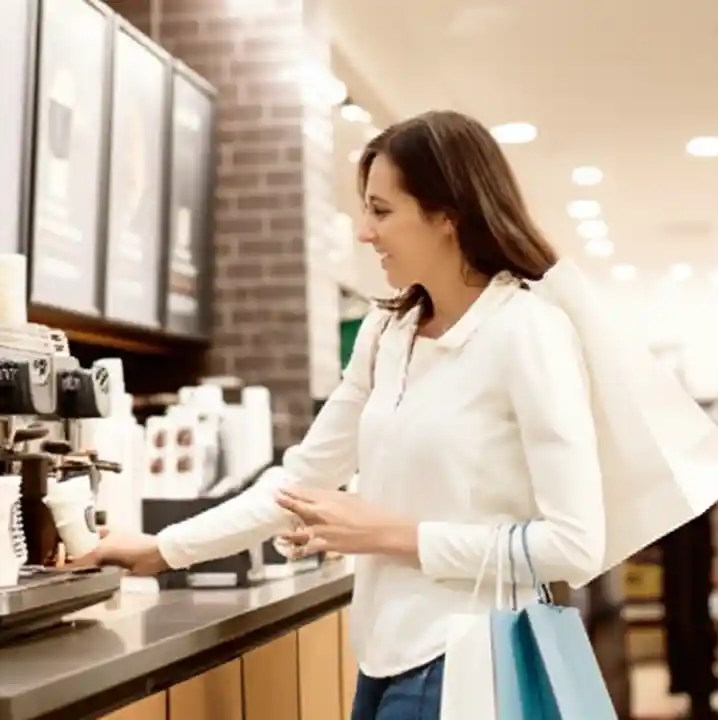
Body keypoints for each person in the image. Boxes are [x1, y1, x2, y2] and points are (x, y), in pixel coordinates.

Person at [77, 109, 609, 720]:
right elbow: (299, 483)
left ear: (446, 216)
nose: (363, 232)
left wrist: (390, 535)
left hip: (469, 661)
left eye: (381, 211)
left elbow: (574, 545)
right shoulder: (388, 333)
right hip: (382, 660)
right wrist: (161, 549)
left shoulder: (527, 331)